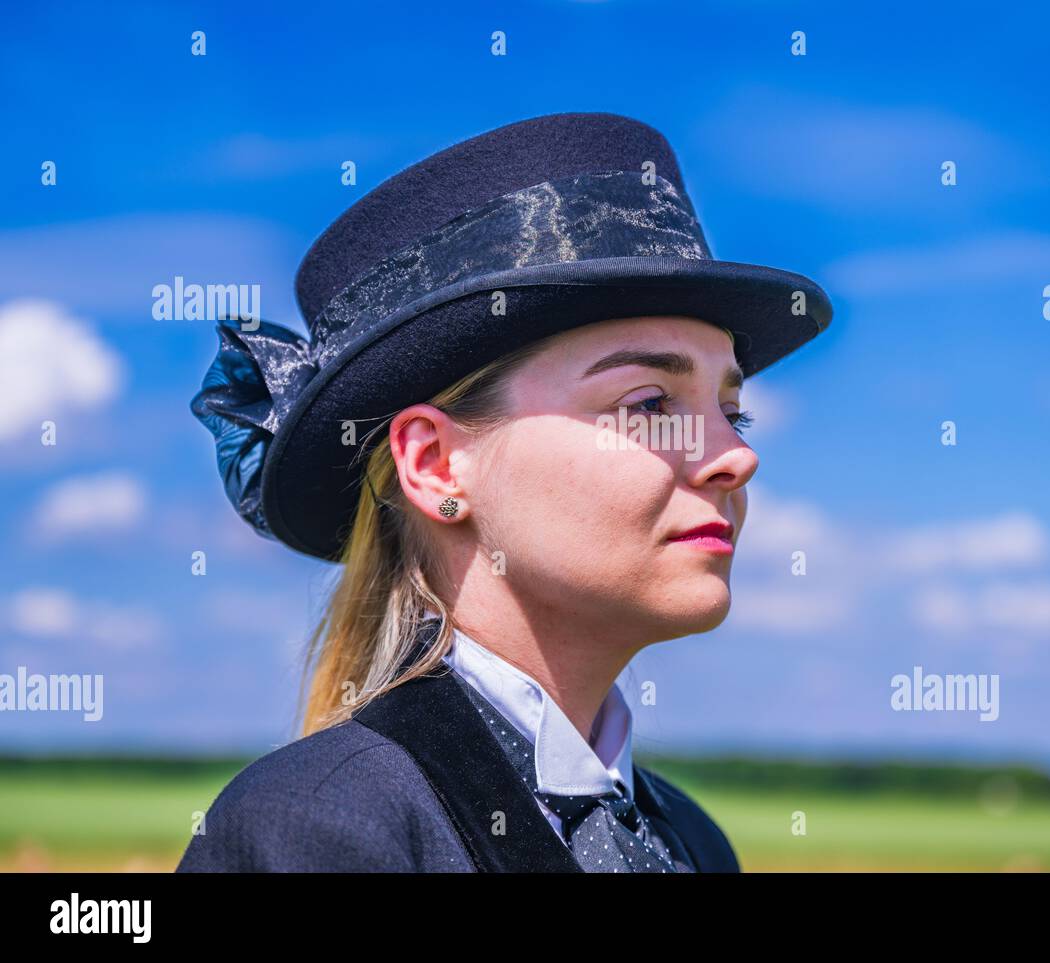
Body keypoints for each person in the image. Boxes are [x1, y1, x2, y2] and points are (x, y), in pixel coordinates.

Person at [176, 111, 833, 872]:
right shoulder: (316, 831)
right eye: (651, 405)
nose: (735, 458)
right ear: (436, 466)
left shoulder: (694, 842)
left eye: (732, 411)